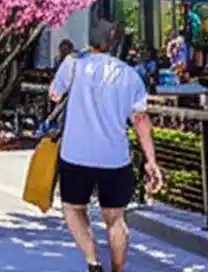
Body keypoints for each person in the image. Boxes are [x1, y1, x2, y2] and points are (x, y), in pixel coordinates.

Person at [51, 21, 163, 272]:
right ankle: (118, 270)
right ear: (114, 43)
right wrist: (151, 160)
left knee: (72, 208)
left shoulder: (73, 64)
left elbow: (54, 94)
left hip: (76, 154)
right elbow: (140, 119)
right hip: (115, 157)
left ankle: (93, 262)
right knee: (115, 218)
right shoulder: (129, 74)